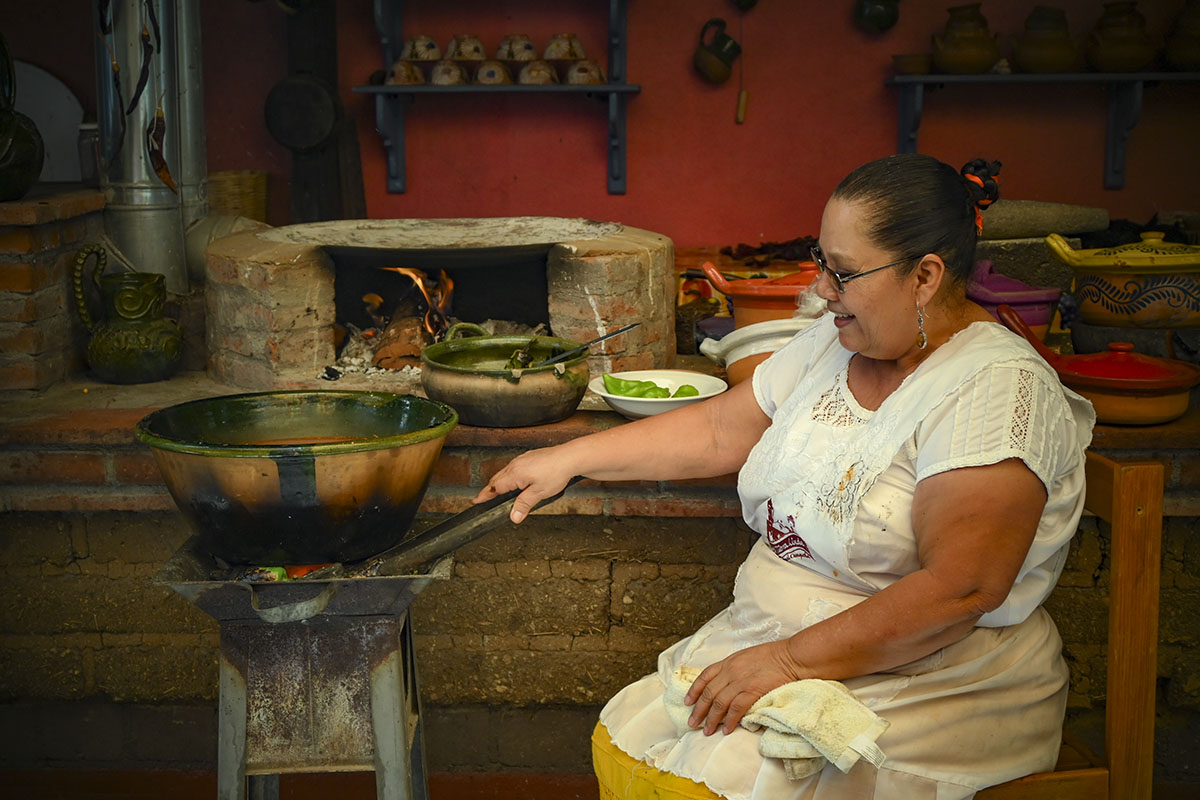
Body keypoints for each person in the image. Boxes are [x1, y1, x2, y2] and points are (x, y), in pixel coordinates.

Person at [473, 154, 1095, 799]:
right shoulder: (837, 340)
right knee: (640, 735)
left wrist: (787, 662)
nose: (823, 289)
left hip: (934, 672)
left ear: (925, 276)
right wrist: (566, 460)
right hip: (793, 643)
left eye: (844, 272)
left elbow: (961, 589)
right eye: (822, 262)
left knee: (726, 776)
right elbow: (720, 430)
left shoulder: (995, 392)